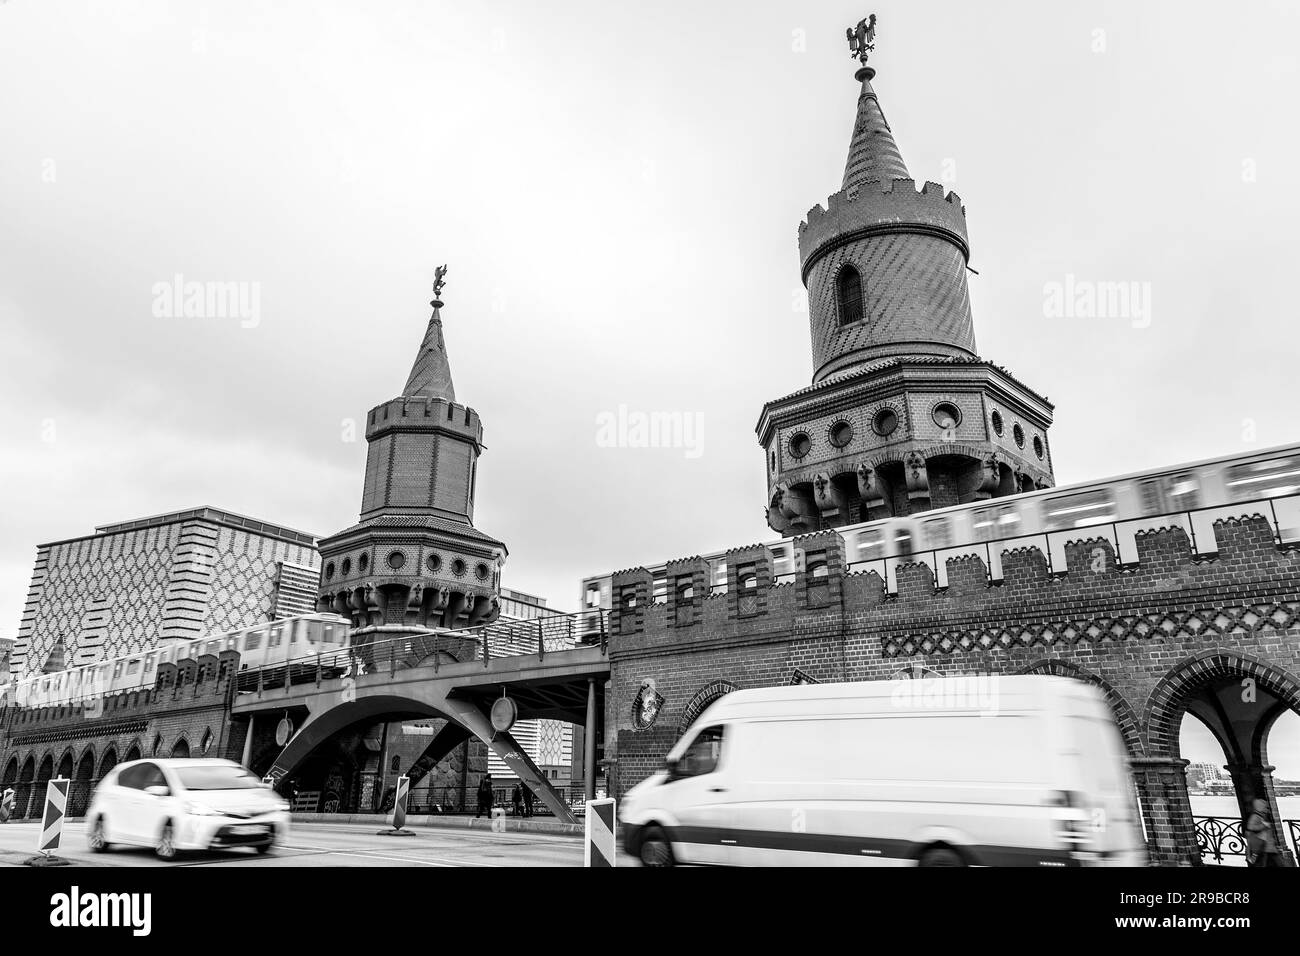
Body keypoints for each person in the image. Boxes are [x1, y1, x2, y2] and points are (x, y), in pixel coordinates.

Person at [1245, 797, 1284, 867]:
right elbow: (1251, 828)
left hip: (1266, 845)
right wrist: (1264, 826)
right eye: (1265, 807)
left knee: (1271, 862)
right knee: (1271, 862)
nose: (1266, 809)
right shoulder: (1255, 816)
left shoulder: (1262, 815)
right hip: (1262, 846)